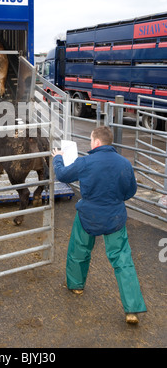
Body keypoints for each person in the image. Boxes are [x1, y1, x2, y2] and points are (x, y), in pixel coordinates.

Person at [52, 126, 147, 324]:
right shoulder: (124, 164)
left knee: (79, 250)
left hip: (89, 215)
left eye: (90, 140)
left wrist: (58, 157)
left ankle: (76, 285)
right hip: (115, 218)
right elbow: (131, 191)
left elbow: (61, 175)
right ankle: (132, 310)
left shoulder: (85, 161)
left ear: (96, 142)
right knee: (123, 261)